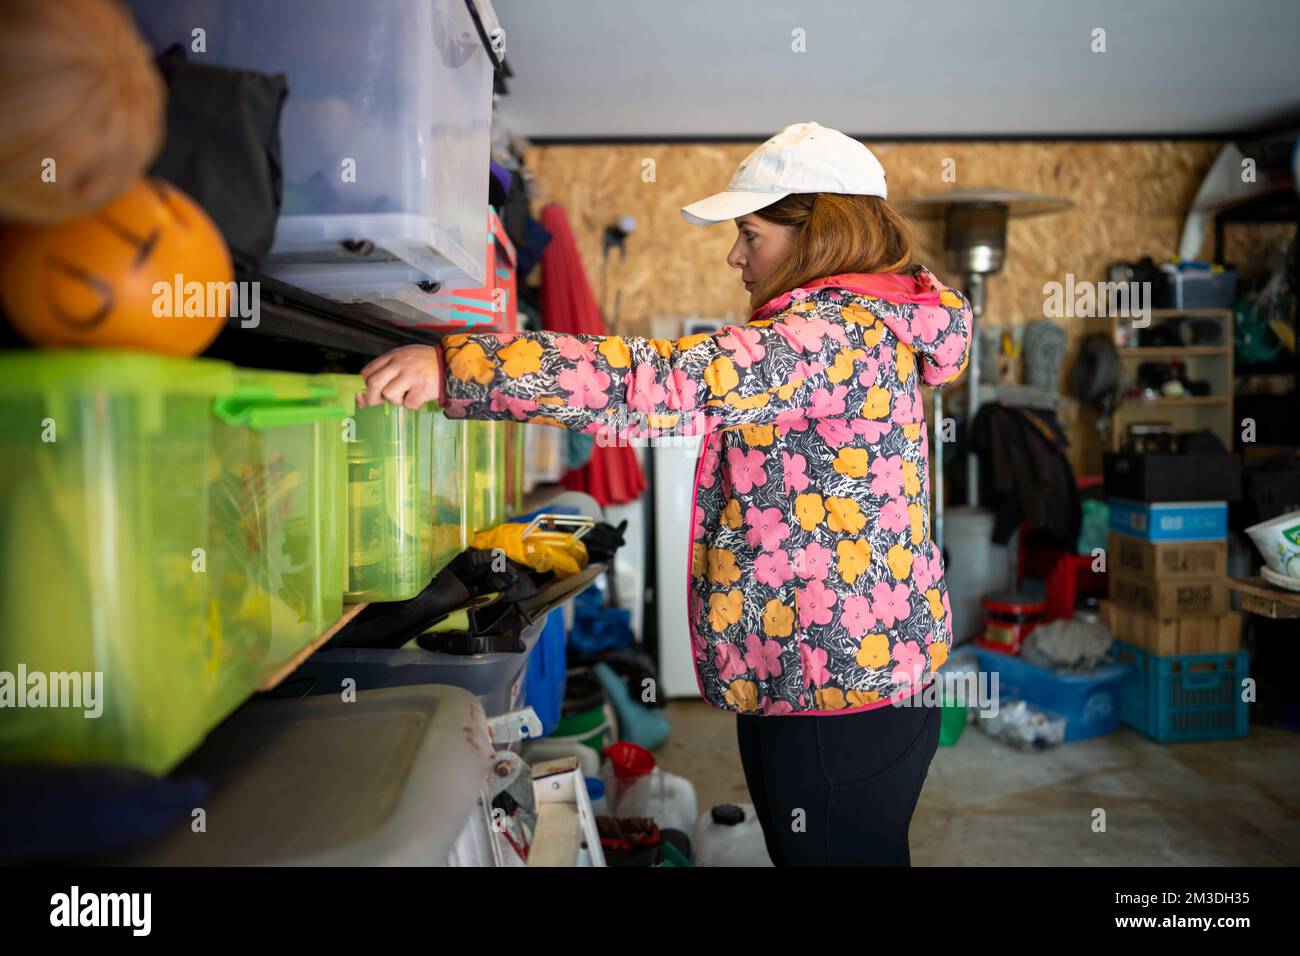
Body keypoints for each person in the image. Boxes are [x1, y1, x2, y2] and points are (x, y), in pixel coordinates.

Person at [358, 122, 972, 866]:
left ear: (819, 234)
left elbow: (656, 381)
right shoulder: (872, 325)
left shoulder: (829, 335)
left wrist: (463, 369)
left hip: (833, 692)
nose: (735, 254)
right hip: (846, 675)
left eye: (751, 233)